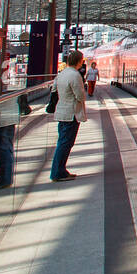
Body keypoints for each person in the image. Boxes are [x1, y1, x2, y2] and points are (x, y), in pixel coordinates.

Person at [0, 61, 30, 191]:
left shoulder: (0, 80)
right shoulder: (12, 77)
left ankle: (4, 179)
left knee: (2, 147)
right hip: (6, 116)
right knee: (4, 147)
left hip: (1, 117)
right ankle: (4, 178)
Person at [49, 50, 88, 181]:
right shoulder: (75, 75)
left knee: (63, 142)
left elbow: (53, 89)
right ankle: (57, 172)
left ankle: (60, 170)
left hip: (62, 112)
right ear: (79, 62)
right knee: (65, 143)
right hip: (71, 114)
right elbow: (80, 95)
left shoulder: (62, 74)